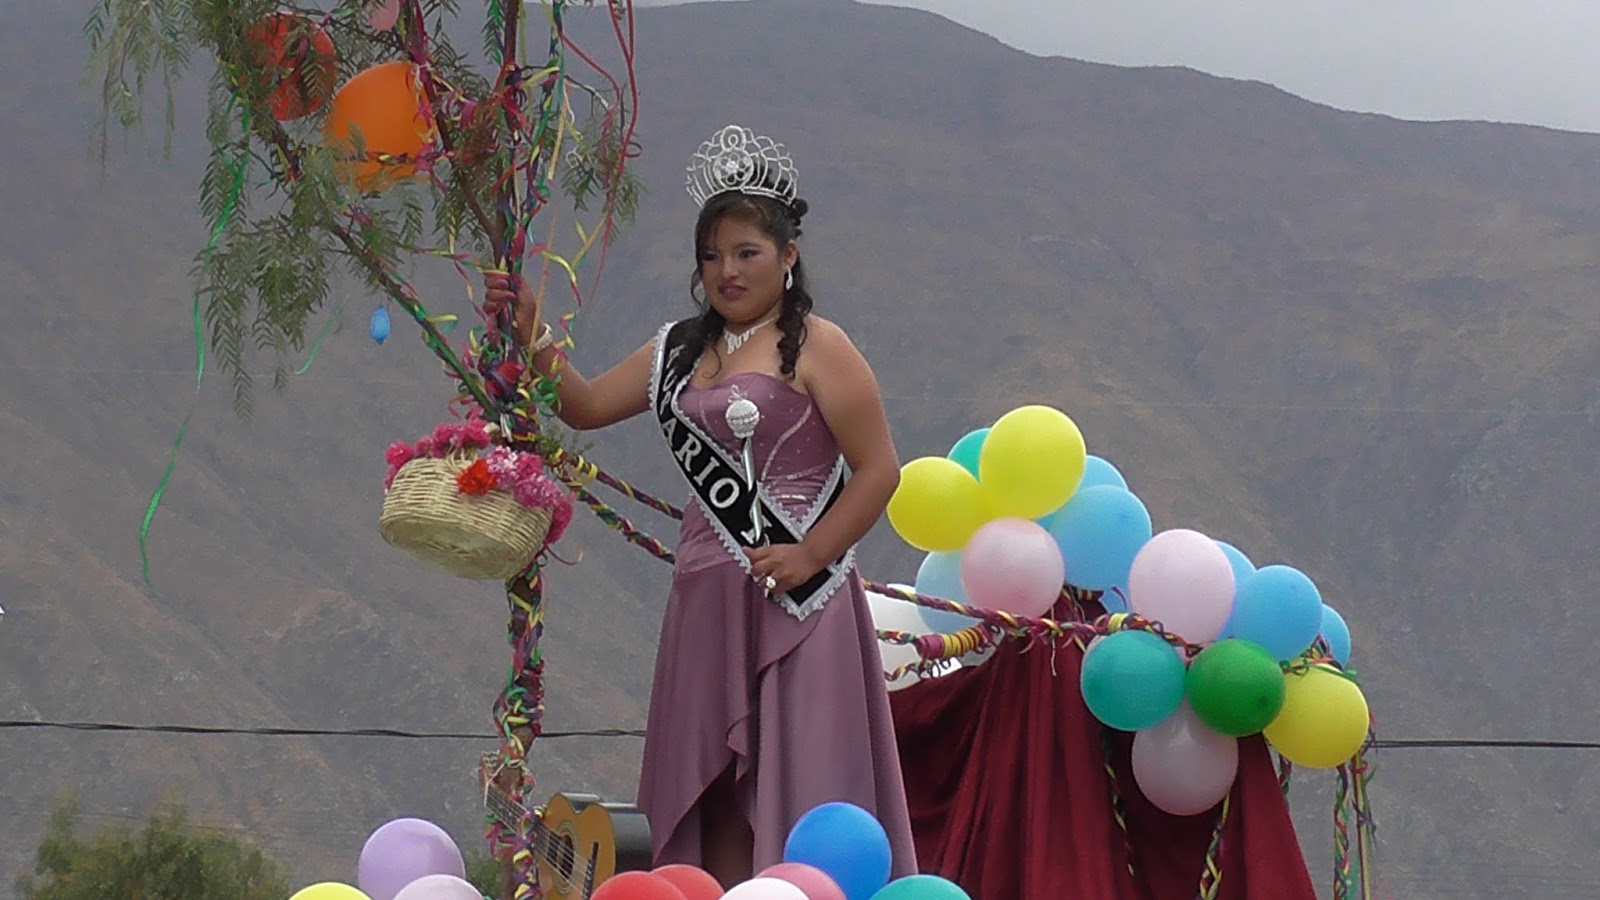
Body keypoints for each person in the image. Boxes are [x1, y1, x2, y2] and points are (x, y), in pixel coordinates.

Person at [484, 124, 918, 887]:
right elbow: (582, 406)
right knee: (708, 793)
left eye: (747, 253)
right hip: (704, 602)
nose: (727, 271)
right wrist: (530, 331)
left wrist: (811, 553)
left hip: (800, 606)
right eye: (712, 256)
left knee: (801, 784)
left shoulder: (822, 345)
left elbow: (880, 470)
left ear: (787, 255)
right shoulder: (677, 348)